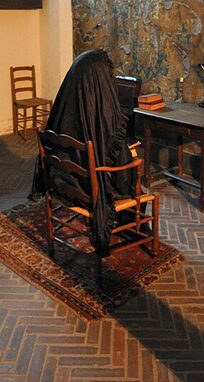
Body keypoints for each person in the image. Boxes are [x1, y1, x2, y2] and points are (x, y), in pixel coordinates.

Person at [31, 49, 137, 253]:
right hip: (90, 189)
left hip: (65, 182)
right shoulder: (100, 112)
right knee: (130, 165)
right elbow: (113, 154)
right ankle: (128, 225)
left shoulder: (67, 109)